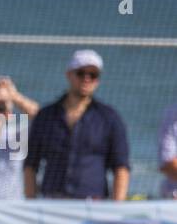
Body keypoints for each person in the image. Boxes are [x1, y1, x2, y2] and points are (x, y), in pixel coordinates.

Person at [24, 50, 129, 201]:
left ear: (97, 80)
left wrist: (117, 207)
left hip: (93, 202)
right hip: (53, 201)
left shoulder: (109, 118)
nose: (87, 79)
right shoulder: (46, 116)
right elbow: (30, 165)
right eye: (81, 73)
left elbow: (121, 167)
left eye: (93, 75)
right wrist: (31, 204)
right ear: (69, 74)